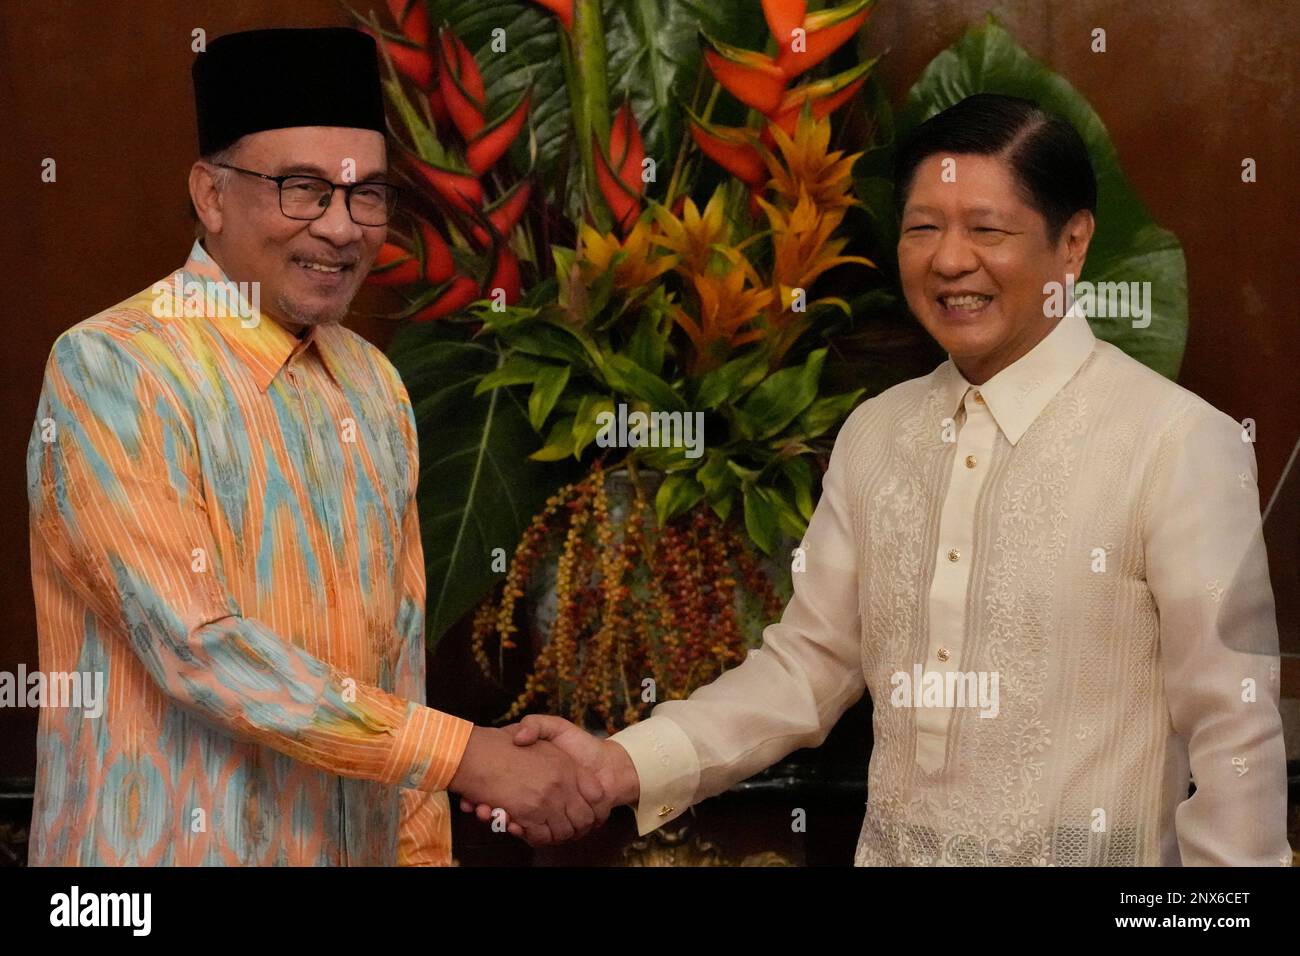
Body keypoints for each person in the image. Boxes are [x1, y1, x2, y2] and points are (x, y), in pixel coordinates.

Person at [470, 94, 1293, 866]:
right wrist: (619, 765)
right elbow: (807, 667)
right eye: (922, 227)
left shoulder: (1176, 441)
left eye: (987, 229)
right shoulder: (879, 432)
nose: (949, 260)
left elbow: (1236, 730)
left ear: (1072, 243)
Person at [25, 27, 603, 866]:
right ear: (211, 194)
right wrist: (467, 757)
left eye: (367, 195)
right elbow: (199, 647)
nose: (341, 228)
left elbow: (397, 662)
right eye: (302, 189)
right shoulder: (114, 366)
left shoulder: (374, 385)